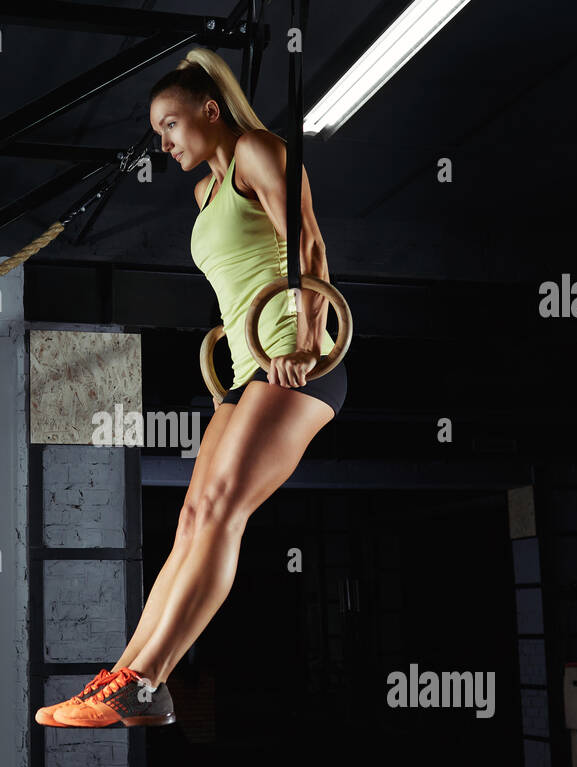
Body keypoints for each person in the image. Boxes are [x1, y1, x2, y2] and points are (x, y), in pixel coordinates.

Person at [36, 47, 347, 729]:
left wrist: (300, 337)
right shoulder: (206, 192)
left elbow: (311, 248)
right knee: (190, 521)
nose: (165, 141)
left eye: (172, 124)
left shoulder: (258, 150)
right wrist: (231, 380)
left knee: (221, 515)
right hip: (245, 369)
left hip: (296, 360)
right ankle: (123, 676)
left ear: (211, 110)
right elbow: (239, 281)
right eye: (159, 131)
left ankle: (148, 680)